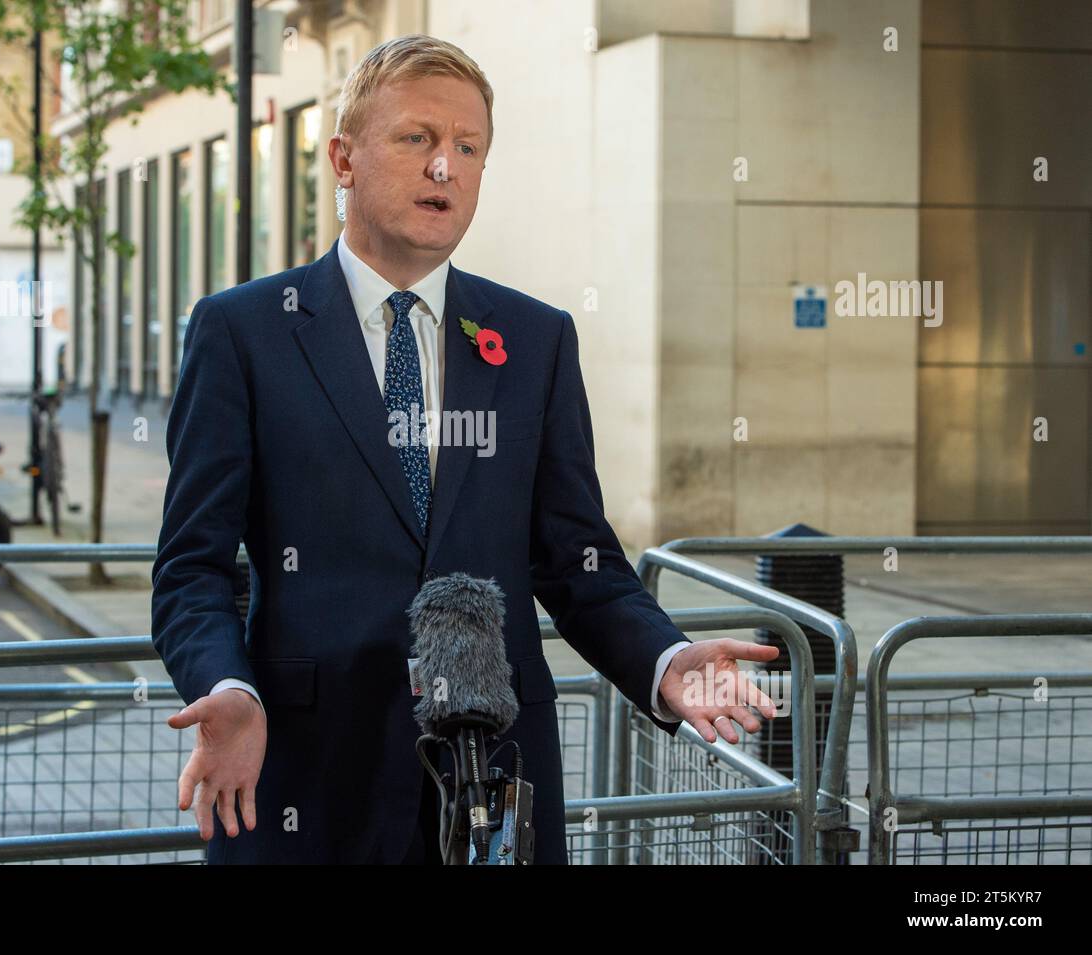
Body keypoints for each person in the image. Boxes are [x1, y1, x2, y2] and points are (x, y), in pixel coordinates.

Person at [151, 34, 778, 865]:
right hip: (308, 775)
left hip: (496, 784)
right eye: (417, 139)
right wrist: (226, 686)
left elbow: (576, 559)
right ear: (343, 158)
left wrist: (663, 656)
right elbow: (191, 566)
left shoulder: (534, 339)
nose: (445, 166)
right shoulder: (243, 332)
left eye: (468, 146)